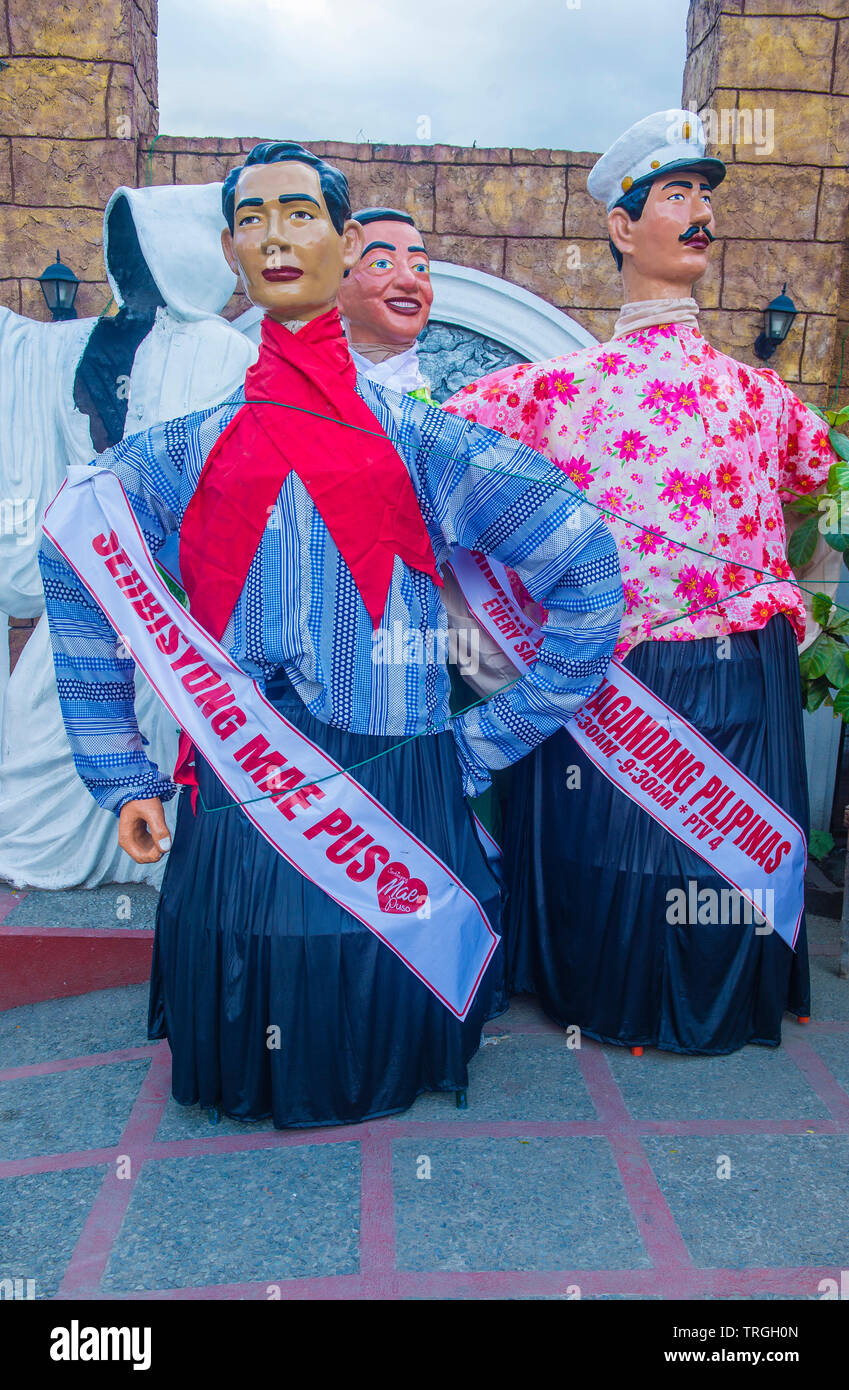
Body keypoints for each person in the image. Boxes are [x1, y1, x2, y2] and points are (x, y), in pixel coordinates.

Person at [38, 141, 623, 1127]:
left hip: (390, 767)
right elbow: (71, 551)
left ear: (345, 240)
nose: (276, 235)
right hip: (240, 780)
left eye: (300, 212)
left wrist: (488, 738)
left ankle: (377, 1062)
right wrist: (119, 765)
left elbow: (586, 562)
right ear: (230, 248)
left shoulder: (423, 439)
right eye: (253, 217)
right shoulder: (183, 449)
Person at [445, 110, 835, 1056]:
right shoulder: (546, 393)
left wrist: (782, 589)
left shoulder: (761, 396)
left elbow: (812, 492)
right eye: (674, 195)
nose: (698, 213)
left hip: (743, 670)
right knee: (616, 848)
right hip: (620, 680)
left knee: (722, 849)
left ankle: (731, 989)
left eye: (705, 196)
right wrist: (488, 630)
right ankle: (609, 992)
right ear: (622, 228)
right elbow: (435, 469)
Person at [0, 181, 255, 889]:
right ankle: (44, 851)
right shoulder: (102, 339)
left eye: (145, 249)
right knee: (41, 705)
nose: (132, 266)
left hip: (170, 577)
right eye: (124, 253)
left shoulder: (221, 349)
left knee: (163, 708)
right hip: (90, 566)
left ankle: (152, 848)